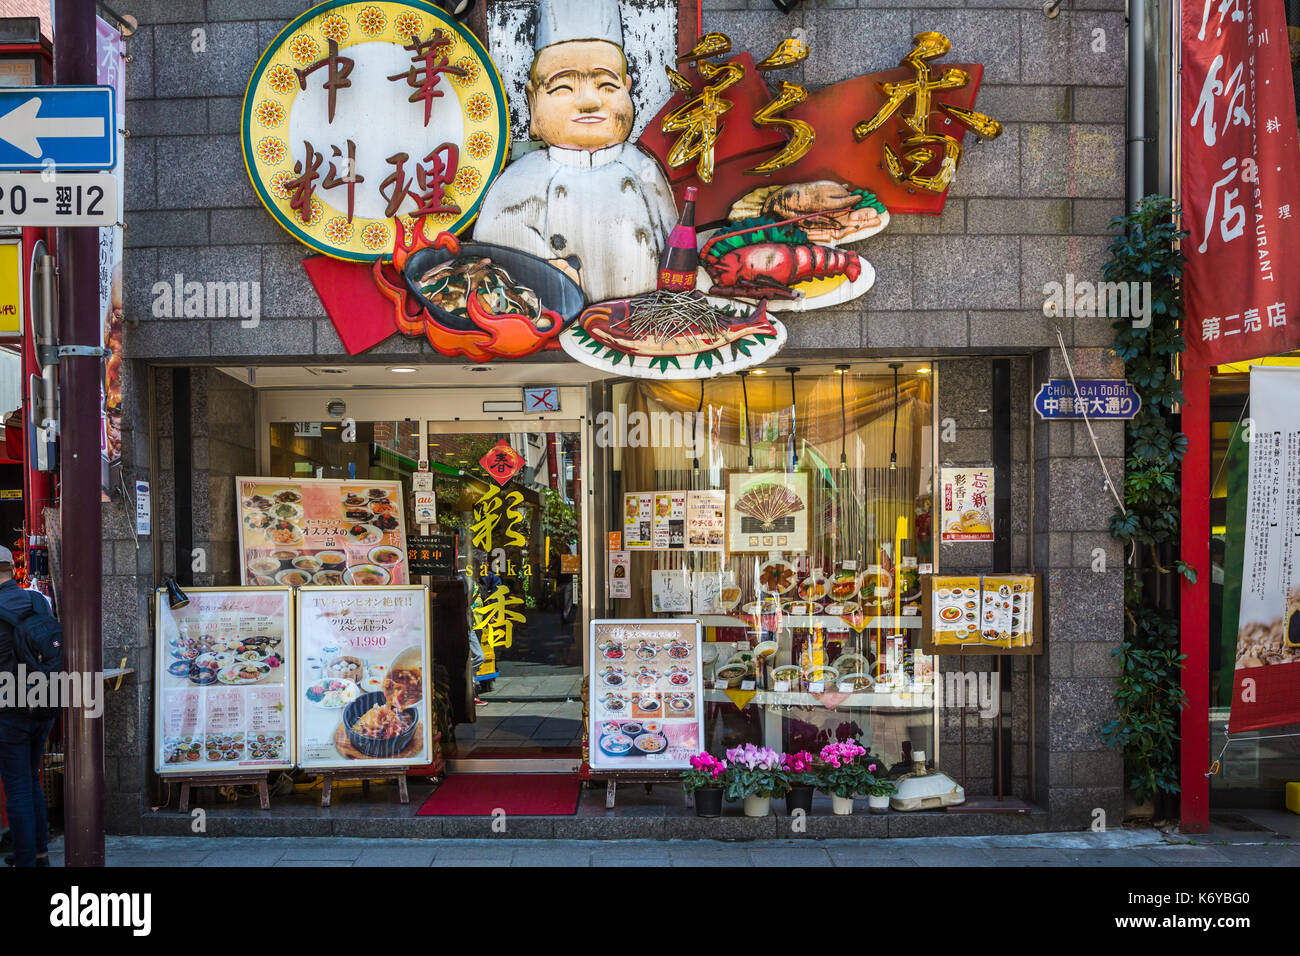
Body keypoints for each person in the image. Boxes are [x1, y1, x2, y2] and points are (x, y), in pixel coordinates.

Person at [474, 0, 679, 303]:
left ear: (628, 88)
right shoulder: (523, 178)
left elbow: (678, 238)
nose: (588, 102)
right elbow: (494, 240)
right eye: (563, 88)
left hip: (644, 323)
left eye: (607, 85)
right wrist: (545, 268)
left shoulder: (643, 169)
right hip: (556, 319)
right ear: (533, 102)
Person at [0, 545, 56, 867]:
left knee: (17, 784)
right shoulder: (38, 601)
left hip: (9, 708)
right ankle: (39, 853)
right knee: (31, 778)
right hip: (43, 702)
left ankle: (25, 861)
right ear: (10, 568)